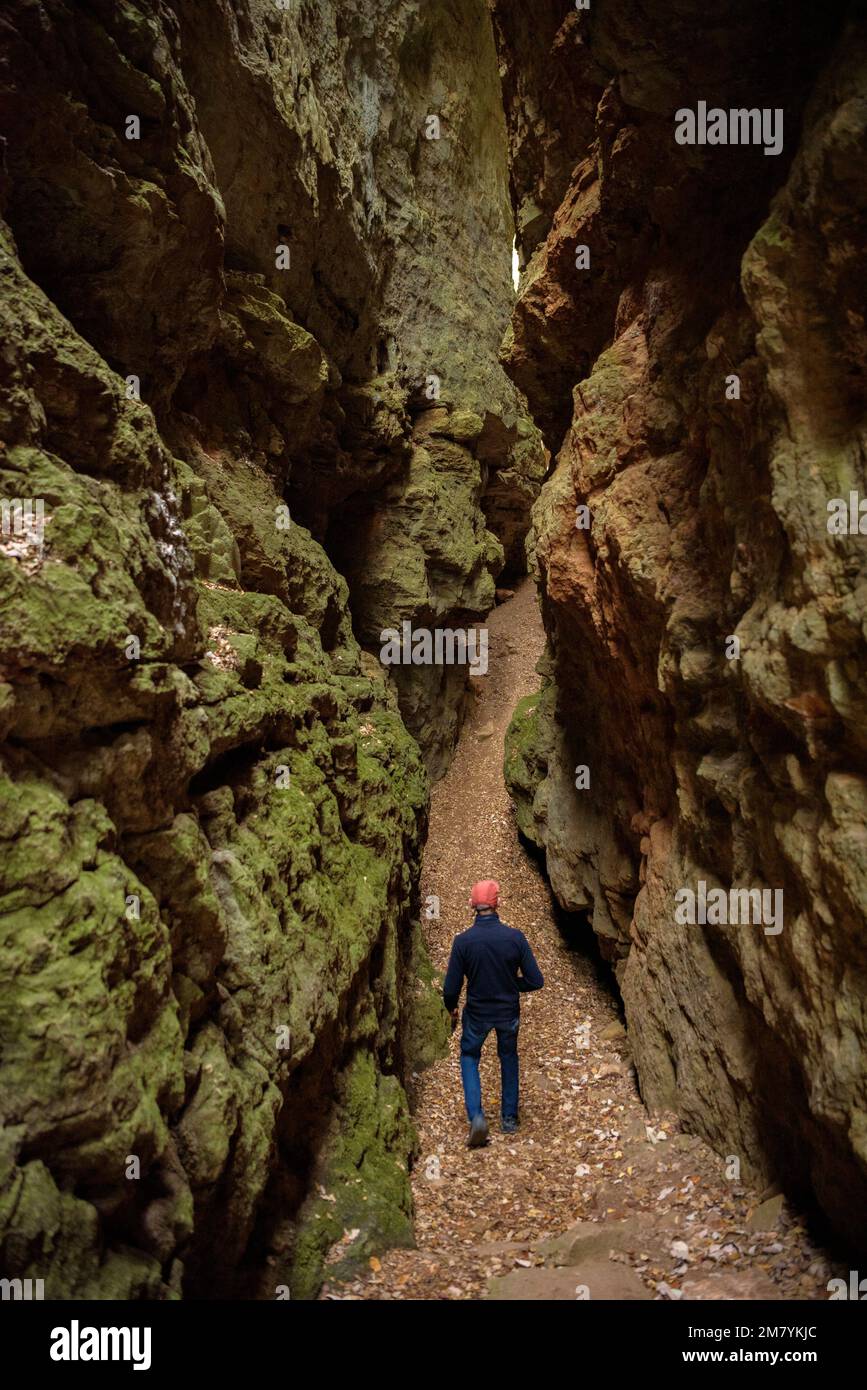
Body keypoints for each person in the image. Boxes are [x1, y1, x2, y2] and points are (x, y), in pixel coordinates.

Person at [442, 879, 544, 1148]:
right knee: (508, 1056)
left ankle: (476, 1117)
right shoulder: (515, 938)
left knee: (469, 1055)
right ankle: (509, 1119)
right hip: (507, 1012)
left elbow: (451, 987)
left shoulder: (463, 942)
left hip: (477, 1013)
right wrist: (511, 984)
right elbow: (535, 980)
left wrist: (450, 1007)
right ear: (497, 903)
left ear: (472, 905)